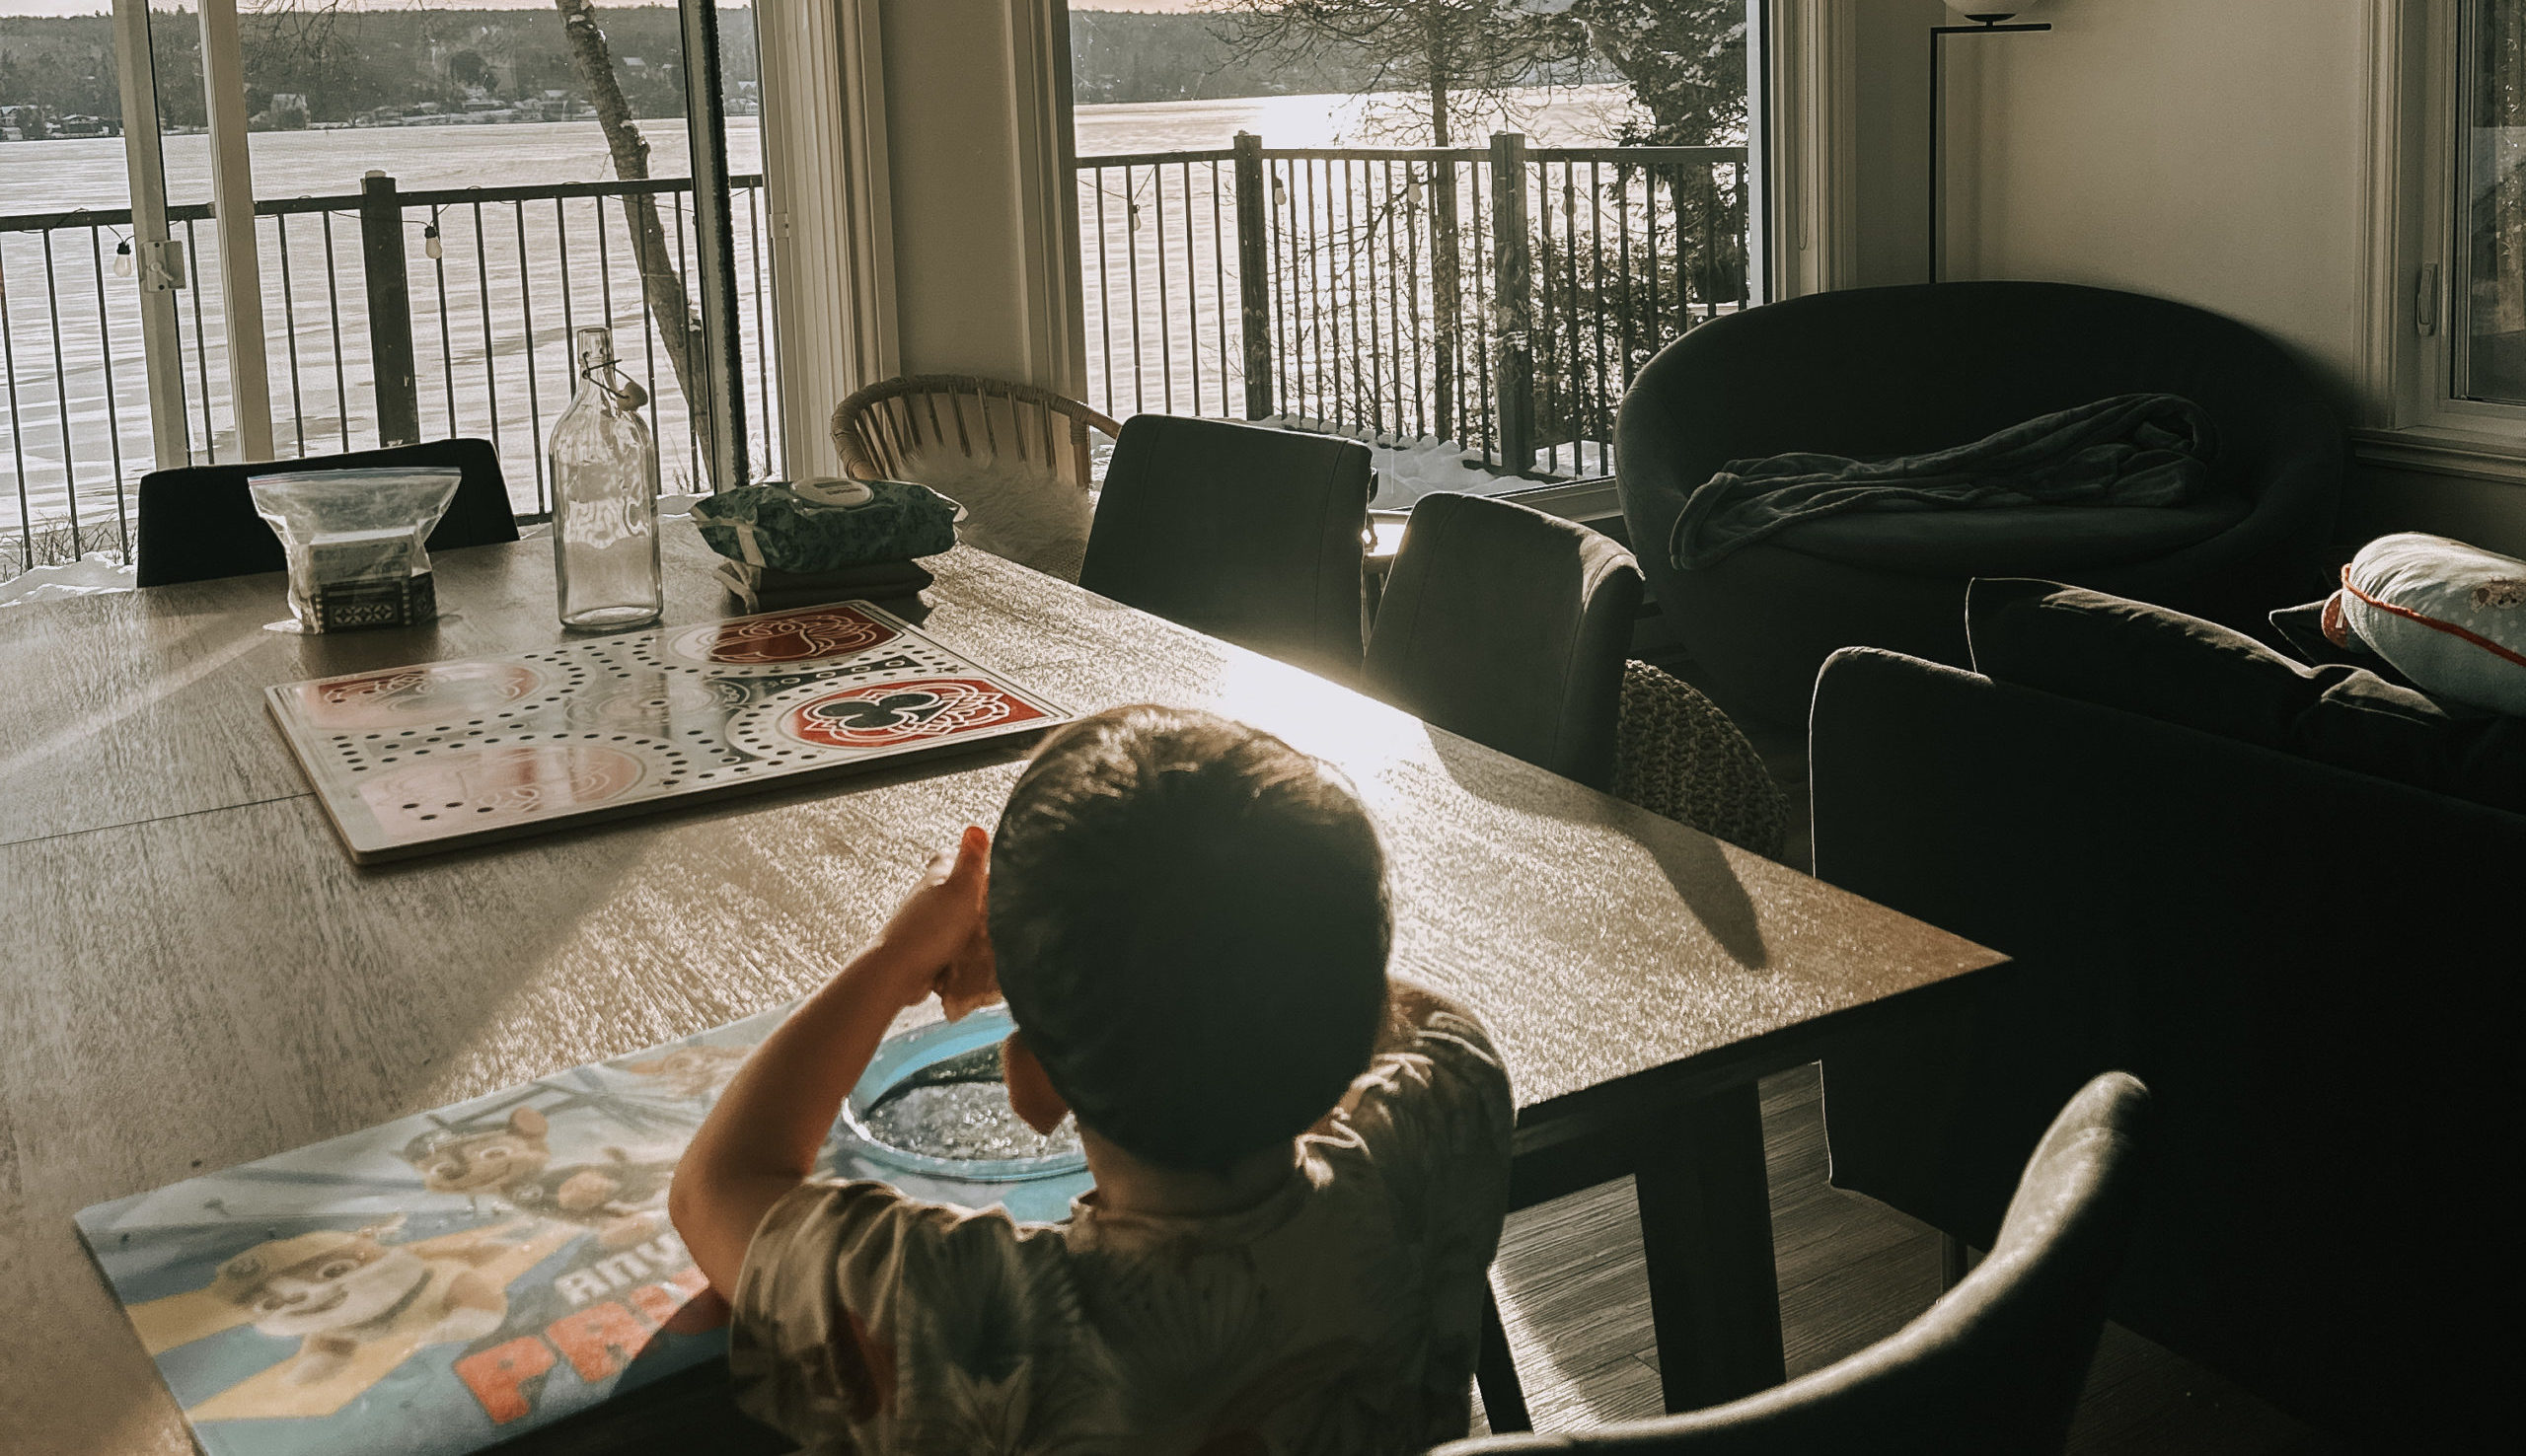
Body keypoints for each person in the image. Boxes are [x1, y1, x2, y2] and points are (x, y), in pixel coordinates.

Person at [669, 703, 1515, 1454]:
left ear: (1031, 1085)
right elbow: (1420, 1015)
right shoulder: (1439, 1126)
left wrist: (900, 962)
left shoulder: (978, 1320)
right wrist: (1114, 959)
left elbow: (718, 1185)